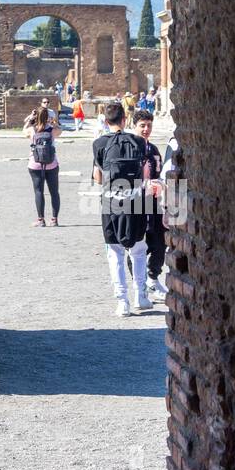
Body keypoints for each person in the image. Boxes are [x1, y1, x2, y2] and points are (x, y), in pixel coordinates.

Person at [92, 101, 153, 316]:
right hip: (135, 199)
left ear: (106, 121)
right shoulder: (138, 141)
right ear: (125, 120)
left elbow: (98, 177)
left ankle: (122, 301)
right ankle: (141, 295)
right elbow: (144, 173)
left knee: (115, 253)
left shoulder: (99, 144)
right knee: (138, 250)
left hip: (111, 200)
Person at [133, 108, 166, 298]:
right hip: (135, 202)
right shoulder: (130, 149)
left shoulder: (153, 150)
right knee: (136, 242)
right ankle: (140, 281)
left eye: (149, 126)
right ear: (134, 126)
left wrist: (159, 184)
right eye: (142, 126)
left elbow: (158, 174)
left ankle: (153, 279)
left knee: (159, 241)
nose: (146, 129)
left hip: (153, 201)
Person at [23, 104, 62, 228]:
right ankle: (54, 220)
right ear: (47, 117)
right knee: (54, 192)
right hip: (51, 163)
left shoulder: (32, 130)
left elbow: (23, 130)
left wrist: (30, 119)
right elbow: (60, 130)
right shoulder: (52, 130)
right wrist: (53, 122)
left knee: (39, 191)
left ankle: (41, 220)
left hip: (35, 164)